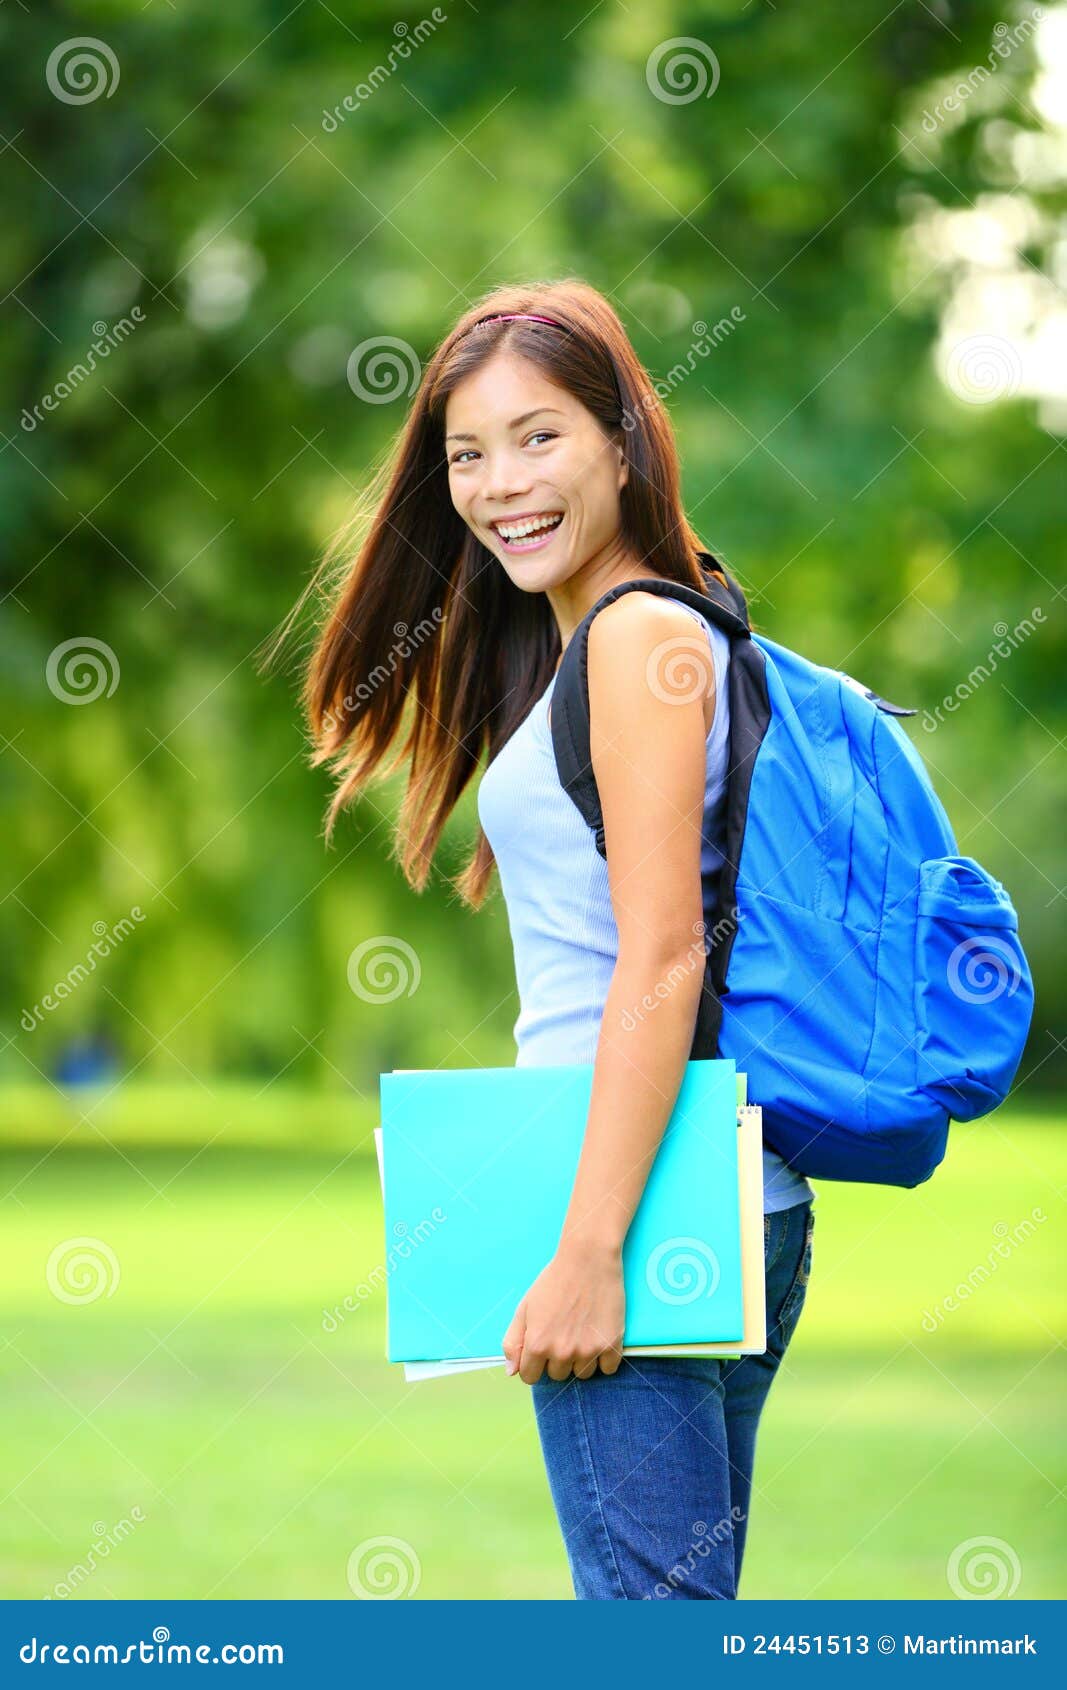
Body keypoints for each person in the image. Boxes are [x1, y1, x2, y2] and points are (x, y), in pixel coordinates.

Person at [297, 278, 816, 1600]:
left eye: (540, 437)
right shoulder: (634, 630)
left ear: (624, 441)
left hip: (635, 1209)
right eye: (466, 453)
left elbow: (663, 955)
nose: (497, 483)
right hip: (690, 1189)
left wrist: (587, 1253)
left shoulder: (640, 640)